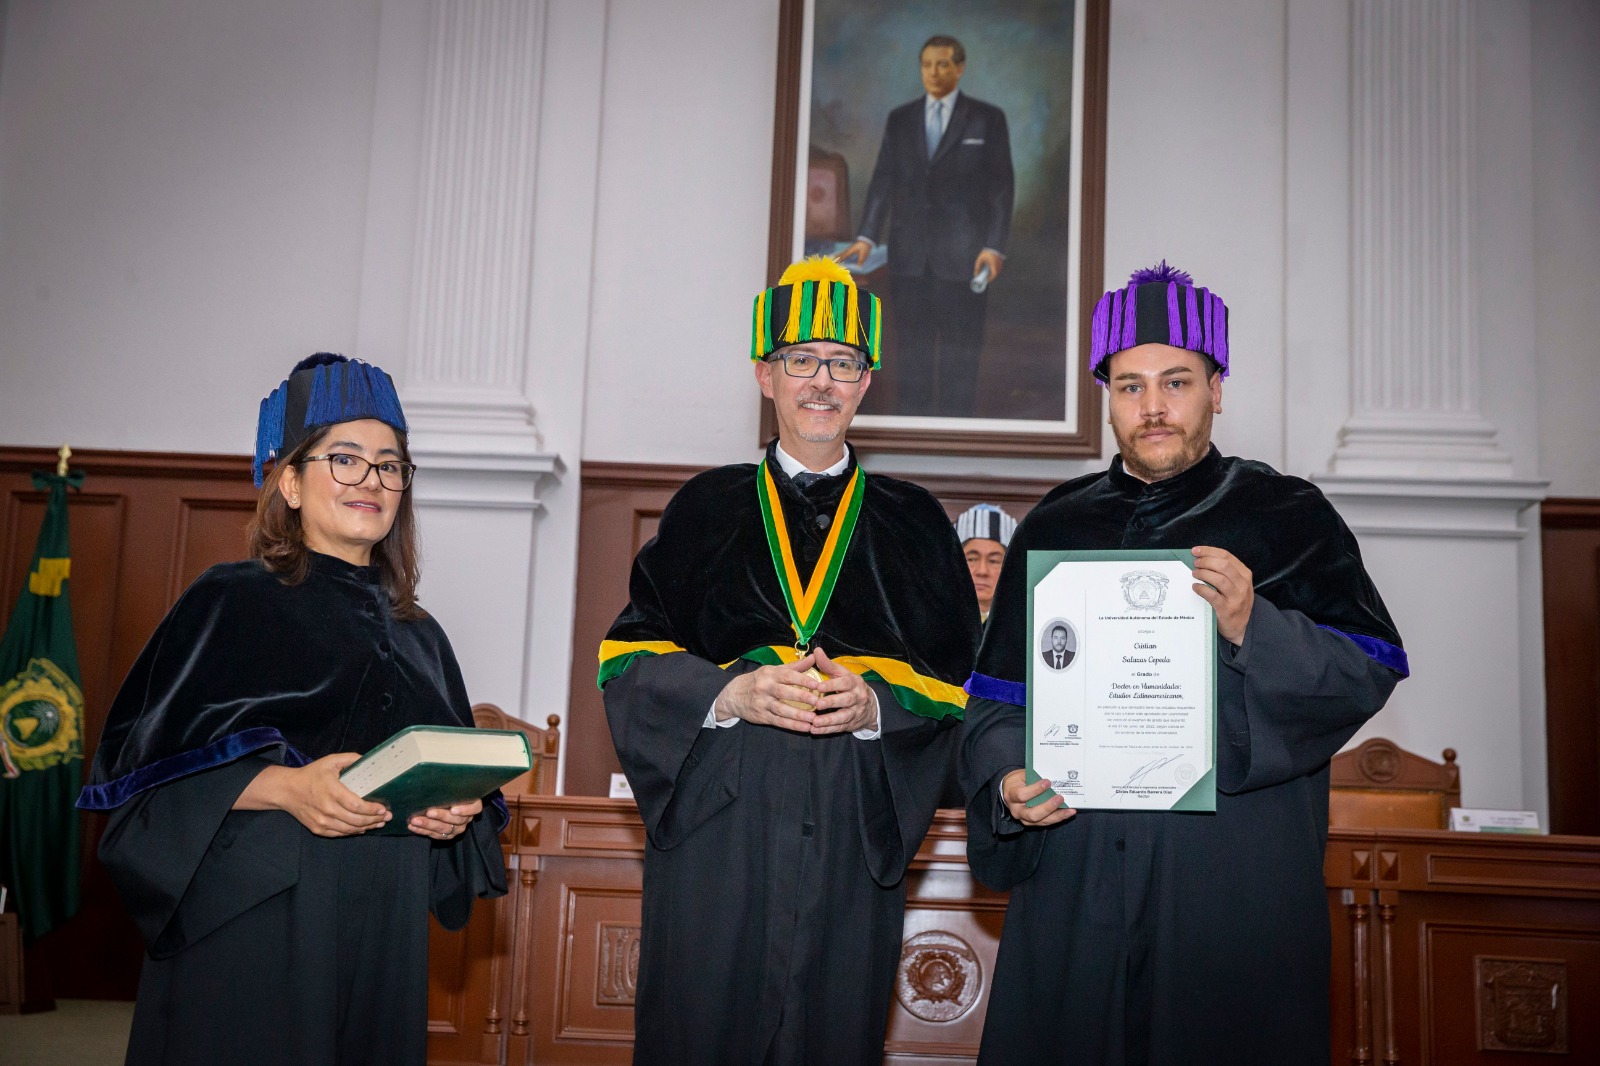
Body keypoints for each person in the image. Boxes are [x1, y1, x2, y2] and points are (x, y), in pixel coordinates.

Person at [960, 262, 1409, 1064]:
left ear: (1217, 389)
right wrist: (1004, 782)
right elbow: (996, 703)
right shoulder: (1055, 525)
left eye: (1176, 380)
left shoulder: (1287, 514)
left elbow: (1368, 667)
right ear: (1107, 397)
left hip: (1230, 882)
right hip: (1078, 868)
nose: (1153, 406)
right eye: (1129, 386)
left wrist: (1252, 625)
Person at [599, 256, 979, 1065]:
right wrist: (729, 693)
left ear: (866, 382)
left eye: (843, 363)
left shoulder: (914, 524)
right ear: (763, 375)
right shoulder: (706, 506)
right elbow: (625, 659)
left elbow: (959, 693)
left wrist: (878, 707)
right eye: (800, 359)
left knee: (831, 1037)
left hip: (851, 820)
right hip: (720, 821)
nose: (821, 381)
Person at [78, 353, 508, 1065]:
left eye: (390, 465)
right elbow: (138, 782)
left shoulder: (421, 634)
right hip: (260, 920)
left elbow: (454, 804)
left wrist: (449, 816)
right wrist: (287, 788)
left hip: (384, 927)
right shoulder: (229, 601)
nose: (372, 480)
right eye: (345, 459)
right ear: (289, 482)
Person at [841, 34, 1014, 417]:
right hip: (910, 259)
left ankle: (957, 434)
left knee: (960, 358)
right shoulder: (900, 119)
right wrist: (867, 236)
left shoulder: (987, 118)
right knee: (912, 355)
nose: (933, 72)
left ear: (959, 68)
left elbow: (1002, 188)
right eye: (927, 65)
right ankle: (913, 433)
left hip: (966, 258)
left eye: (942, 64)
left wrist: (994, 246)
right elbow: (883, 179)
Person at [954, 502, 1016, 622]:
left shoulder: (1022, 622)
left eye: (994, 561)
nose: (982, 571)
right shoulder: (936, 620)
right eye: (971, 559)